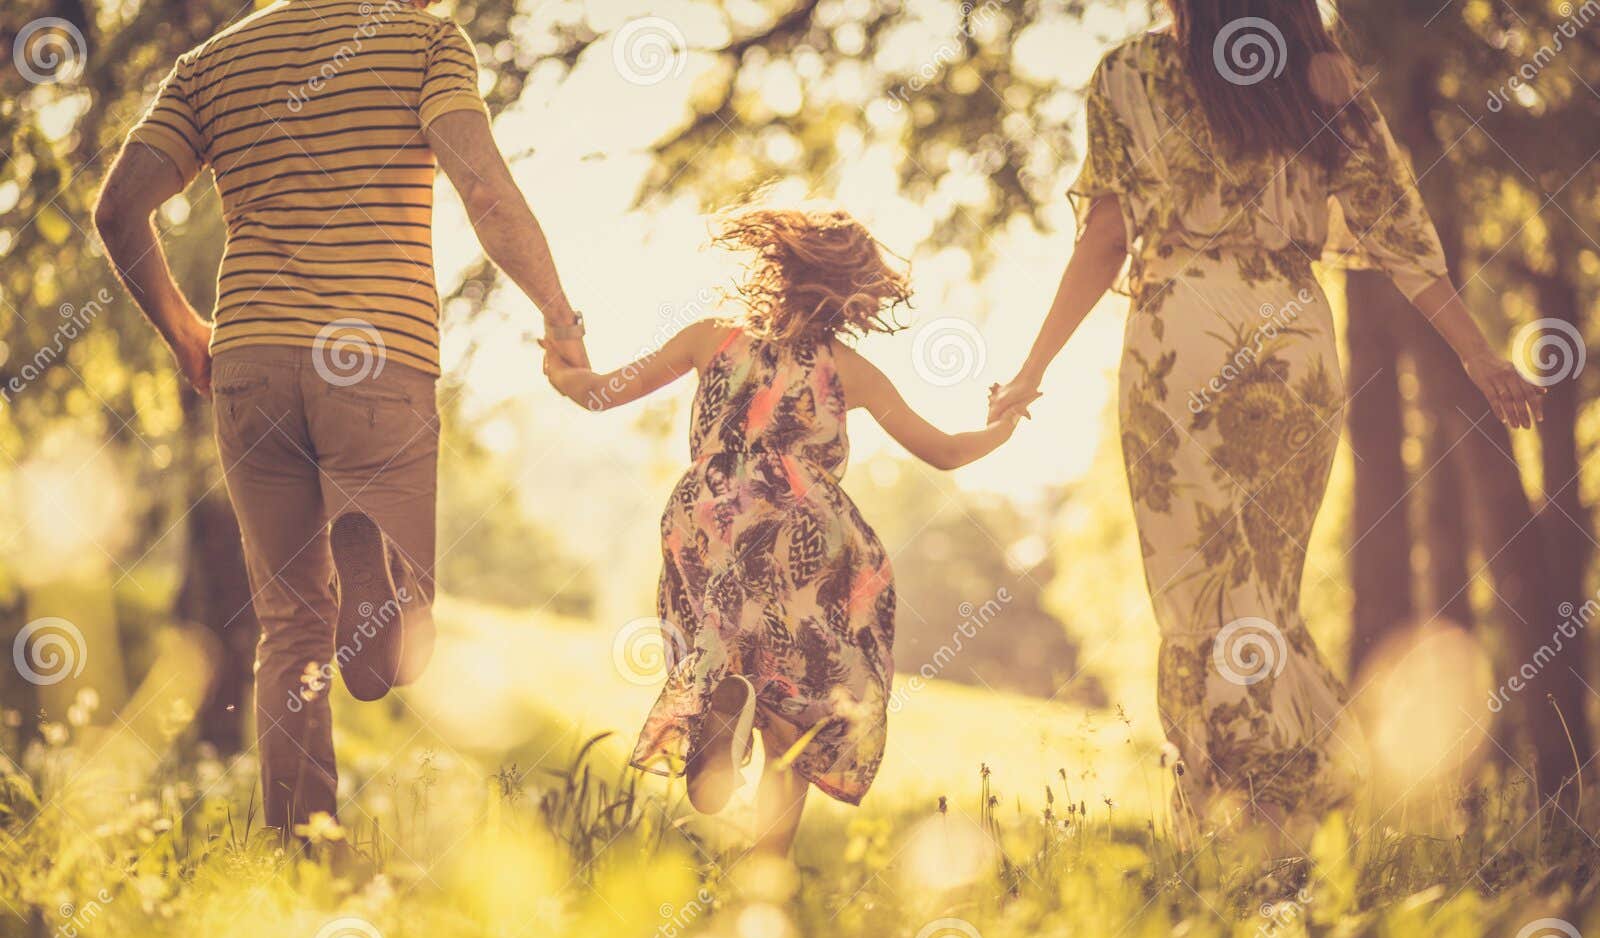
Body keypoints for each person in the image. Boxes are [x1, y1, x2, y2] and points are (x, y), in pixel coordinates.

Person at [988, 0, 1545, 840]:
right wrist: (1478, 353)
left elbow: (1105, 239)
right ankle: (1302, 805)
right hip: (1294, 337)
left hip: (1184, 332)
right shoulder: (1311, 72)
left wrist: (1031, 369)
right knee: (1265, 598)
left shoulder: (1128, 74)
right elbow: (1398, 228)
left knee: (1203, 594)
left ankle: (1252, 812)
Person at [93, 0, 586, 835]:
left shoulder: (212, 61)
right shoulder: (425, 39)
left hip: (250, 358)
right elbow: (485, 194)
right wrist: (561, 322)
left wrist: (185, 333)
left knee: (290, 628)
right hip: (374, 357)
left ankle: (301, 850)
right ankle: (387, 581)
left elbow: (117, 210)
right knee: (405, 634)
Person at [543, 208, 1025, 855]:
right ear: (850, 293)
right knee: (798, 708)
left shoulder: (709, 336)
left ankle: (719, 707)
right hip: (801, 540)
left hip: (707, 521)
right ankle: (764, 872)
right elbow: (942, 449)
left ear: (774, 265)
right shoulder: (845, 368)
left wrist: (559, 365)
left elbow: (599, 391)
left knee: (715, 647)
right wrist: (1004, 425)